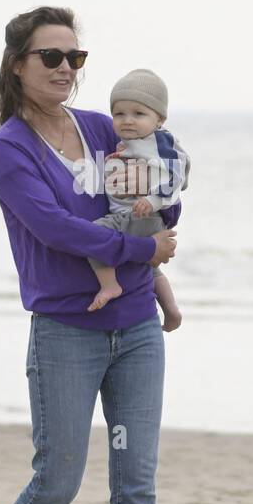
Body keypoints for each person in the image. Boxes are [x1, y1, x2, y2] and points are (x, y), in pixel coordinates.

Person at [0, 6, 180, 504]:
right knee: (56, 480)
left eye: (74, 58)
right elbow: (56, 227)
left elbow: (154, 188)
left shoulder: (100, 128)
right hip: (65, 330)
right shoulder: (9, 148)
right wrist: (142, 252)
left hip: (137, 328)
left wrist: (163, 228)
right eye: (50, 57)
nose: (65, 69)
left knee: (136, 486)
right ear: (18, 63)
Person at [88, 68, 188, 331]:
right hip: (136, 216)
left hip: (140, 215)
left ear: (160, 119)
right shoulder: (133, 142)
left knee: (95, 234)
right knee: (151, 272)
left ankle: (110, 285)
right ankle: (171, 310)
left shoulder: (159, 142)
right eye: (119, 114)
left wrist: (153, 200)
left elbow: (176, 173)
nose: (127, 121)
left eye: (138, 113)